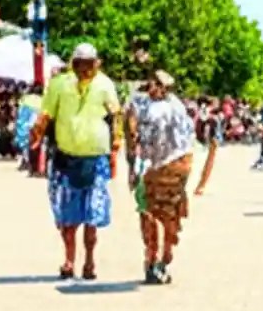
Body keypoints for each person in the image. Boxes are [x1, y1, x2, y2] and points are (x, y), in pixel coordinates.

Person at [32, 43, 121, 281]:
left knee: (93, 213)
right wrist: (35, 135)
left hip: (96, 159)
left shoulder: (105, 85)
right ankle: (69, 259)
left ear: (97, 63)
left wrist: (115, 150)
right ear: (73, 63)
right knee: (67, 215)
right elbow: (46, 114)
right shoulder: (59, 84)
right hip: (65, 158)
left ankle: (90, 261)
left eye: (89, 63)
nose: (85, 68)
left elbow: (116, 117)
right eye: (80, 63)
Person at [129, 70, 196, 283]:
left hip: (169, 165)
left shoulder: (171, 107)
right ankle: (155, 258)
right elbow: (132, 138)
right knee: (154, 214)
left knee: (160, 214)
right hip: (160, 165)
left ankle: (159, 258)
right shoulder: (144, 104)